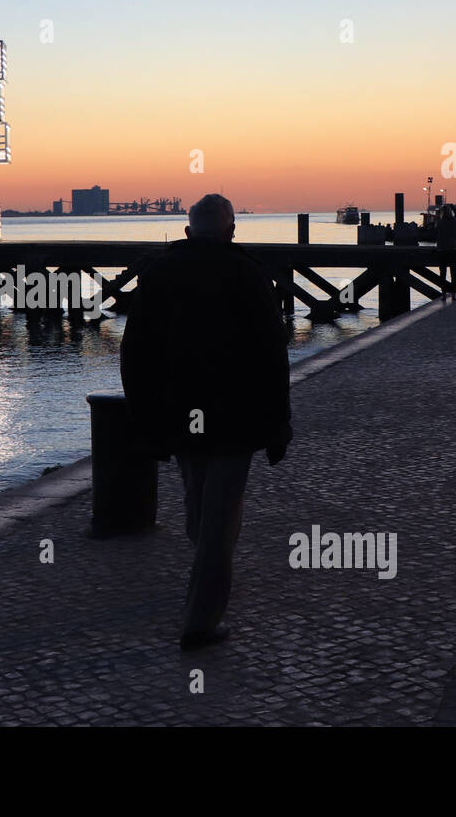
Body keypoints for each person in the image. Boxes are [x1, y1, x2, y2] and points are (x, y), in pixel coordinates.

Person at [120, 193, 292, 651]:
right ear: (231, 231)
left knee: (200, 508)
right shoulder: (250, 274)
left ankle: (204, 597)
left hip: (179, 415)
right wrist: (279, 424)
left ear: (188, 230)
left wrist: (143, 416)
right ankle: (201, 619)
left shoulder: (159, 274)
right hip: (236, 418)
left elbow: (134, 352)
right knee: (217, 517)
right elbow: (274, 358)